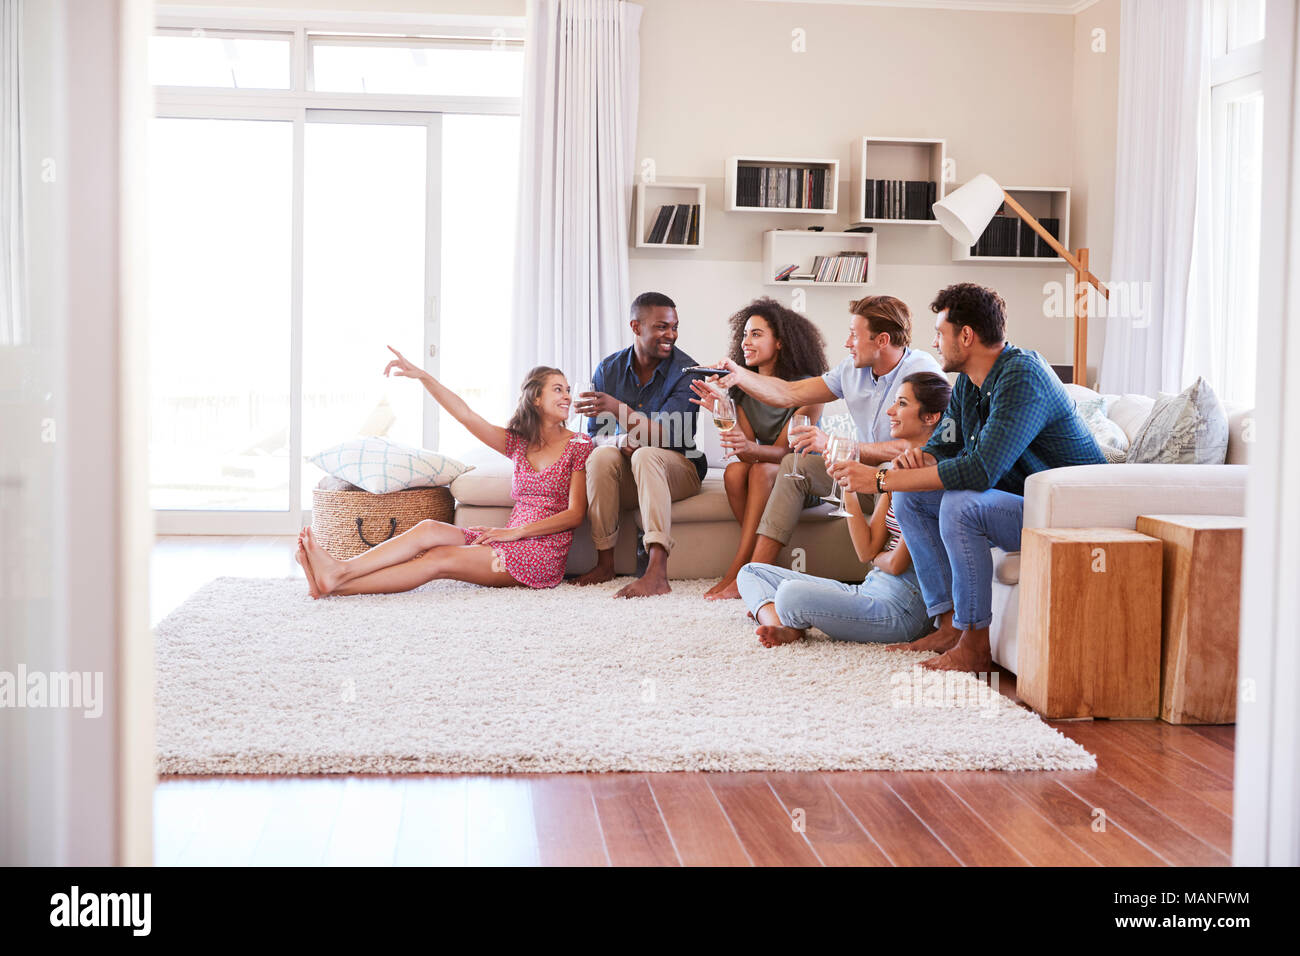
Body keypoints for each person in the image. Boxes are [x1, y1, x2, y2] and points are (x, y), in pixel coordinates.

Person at [828, 283, 1107, 672]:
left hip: (1070, 513)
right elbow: (941, 449)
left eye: (940, 333)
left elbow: (980, 470)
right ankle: (947, 625)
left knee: (962, 504)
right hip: (1025, 504)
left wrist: (878, 481)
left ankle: (975, 645)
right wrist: (910, 462)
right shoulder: (967, 387)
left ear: (966, 335)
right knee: (912, 497)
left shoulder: (1022, 377)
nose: (935, 343)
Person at [295, 349, 592, 597]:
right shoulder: (518, 442)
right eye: (558, 389)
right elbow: (466, 415)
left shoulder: (579, 444)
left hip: (539, 554)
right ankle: (339, 572)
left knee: (438, 558)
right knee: (428, 529)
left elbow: (575, 514)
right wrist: (424, 377)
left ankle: (337, 581)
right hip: (505, 539)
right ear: (536, 399)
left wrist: (516, 532)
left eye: (567, 390)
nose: (567, 395)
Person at [706, 295, 944, 592]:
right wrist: (738, 375)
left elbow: (926, 451)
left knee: (887, 464)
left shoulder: (923, 373)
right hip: (858, 475)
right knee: (795, 464)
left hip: (894, 479)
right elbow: (790, 393)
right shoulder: (851, 369)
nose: (847, 342)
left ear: (882, 340)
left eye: (854, 335)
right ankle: (757, 575)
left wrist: (837, 444)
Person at [736, 372, 952, 647]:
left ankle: (775, 615)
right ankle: (780, 624)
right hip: (870, 588)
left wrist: (877, 558)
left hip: (902, 609)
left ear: (930, 417)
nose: (890, 410)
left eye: (902, 404)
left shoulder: (930, 476)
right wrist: (847, 486)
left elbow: (896, 564)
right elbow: (866, 551)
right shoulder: (893, 470)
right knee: (752, 572)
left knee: (791, 594)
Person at [685, 298, 827, 600]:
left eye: (756, 334)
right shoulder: (742, 391)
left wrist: (749, 447)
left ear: (779, 342)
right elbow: (745, 453)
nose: (746, 342)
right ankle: (763, 562)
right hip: (769, 475)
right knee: (736, 472)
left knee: (762, 471)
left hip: (801, 479)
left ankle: (741, 568)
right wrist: (721, 413)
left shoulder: (807, 389)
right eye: (745, 334)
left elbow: (786, 456)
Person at [571, 292, 706, 598]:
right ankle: (604, 562)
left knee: (646, 454)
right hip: (632, 472)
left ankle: (657, 571)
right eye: (661, 327)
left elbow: (668, 436)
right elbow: (595, 438)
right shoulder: (608, 370)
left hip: (679, 469)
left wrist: (619, 408)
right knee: (601, 458)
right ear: (636, 327)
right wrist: (619, 441)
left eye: (674, 327)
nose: (670, 335)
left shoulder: (687, 372)